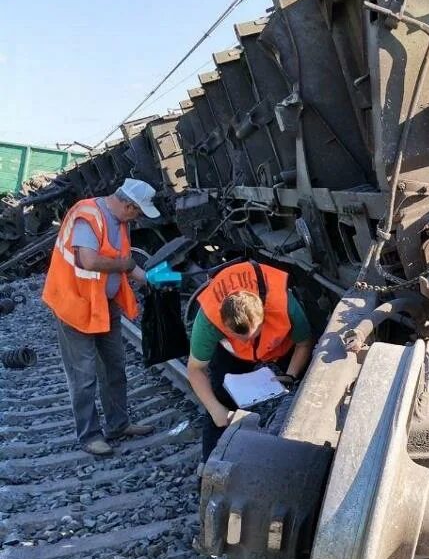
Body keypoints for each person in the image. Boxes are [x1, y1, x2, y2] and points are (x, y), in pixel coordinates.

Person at [41, 178, 160, 456]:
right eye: (138, 212)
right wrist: (126, 265)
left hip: (103, 304)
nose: (138, 217)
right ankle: (90, 435)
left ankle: (118, 425)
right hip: (75, 305)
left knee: (115, 367)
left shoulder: (120, 222)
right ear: (129, 205)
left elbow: (124, 264)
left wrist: (149, 280)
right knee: (83, 376)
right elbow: (89, 261)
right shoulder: (88, 215)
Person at [186, 259, 314, 462]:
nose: (248, 341)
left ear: (264, 315)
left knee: (310, 385)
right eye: (240, 338)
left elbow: (304, 343)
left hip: (279, 345)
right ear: (224, 327)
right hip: (233, 354)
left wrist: (291, 374)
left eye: (253, 335)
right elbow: (195, 369)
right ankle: (208, 470)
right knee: (218, 403)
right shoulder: (208, 321)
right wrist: (216, 409)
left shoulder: (283, 303)